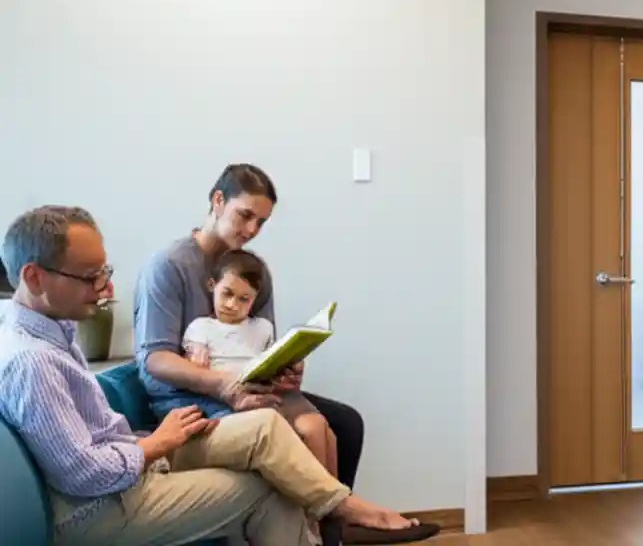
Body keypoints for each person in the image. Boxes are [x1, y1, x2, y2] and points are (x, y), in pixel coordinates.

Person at [0, 205, 438, 545]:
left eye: (105, 272)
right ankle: (344, 510)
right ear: (34, 277)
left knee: (266, 425)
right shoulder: (31, 360)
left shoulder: (53, 328)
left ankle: (340, 508)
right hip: (94, 507)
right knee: (270, 488)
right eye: (91, 276)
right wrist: (156, 443)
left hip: (129, 459)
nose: (106, 288)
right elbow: (83, 476)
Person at [132, 164, 402, 544]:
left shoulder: (253, 270)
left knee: (343, 423)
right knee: (303, 431)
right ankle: (327, 525)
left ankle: (326, 531)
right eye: (245, 216)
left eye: (262, 222)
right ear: (218, 201)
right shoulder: (168, 267)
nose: (252, 231)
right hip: (193, 395)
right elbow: (155, 360)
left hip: (248, 383)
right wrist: (224, 385)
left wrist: (286, 369)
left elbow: (261, 346)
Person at [181, 248, 339, 479]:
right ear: (212, 286)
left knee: (318, 427)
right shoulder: (201, 327)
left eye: (244, 299)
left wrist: (289, 365)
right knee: (307, 430)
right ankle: (322, 509)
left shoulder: (262, 327)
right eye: (227, 293)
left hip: (269, 393)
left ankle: (332, 508)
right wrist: (196, 352)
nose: (232, 304)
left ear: (255, 300)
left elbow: (272, 360)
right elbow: (193, 363)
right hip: (233, 400)